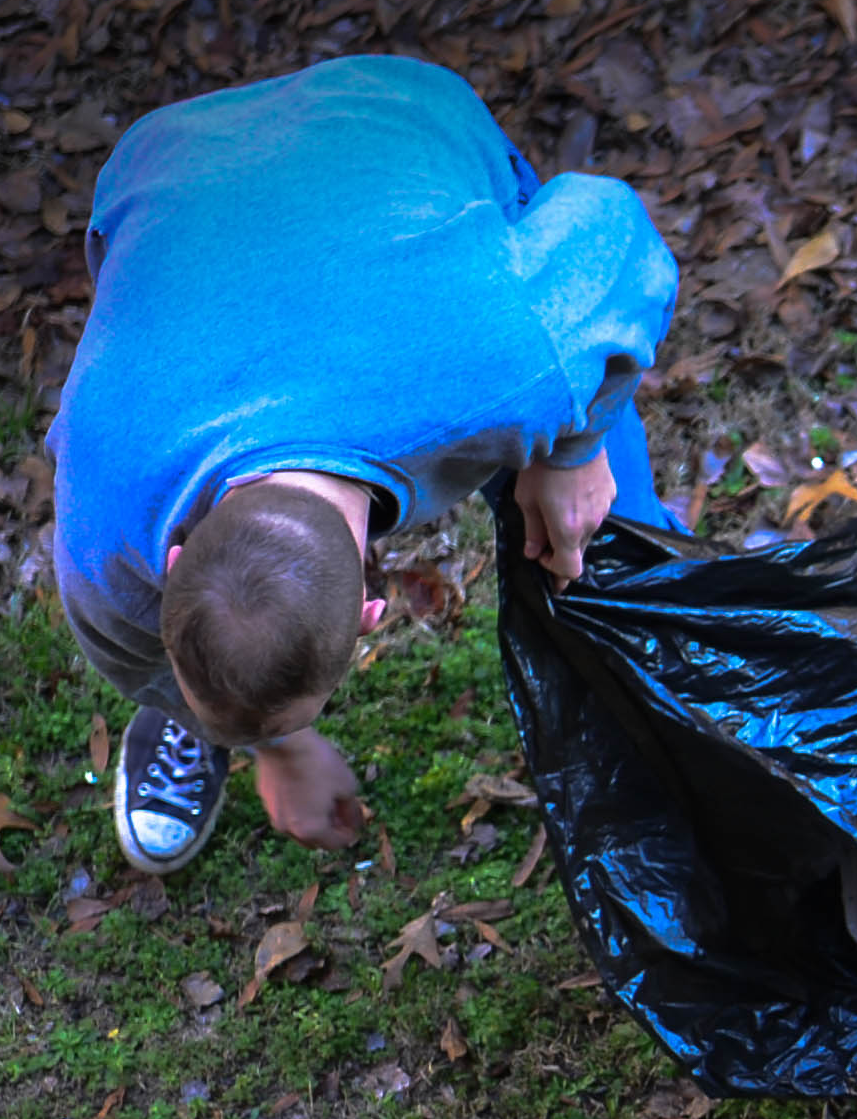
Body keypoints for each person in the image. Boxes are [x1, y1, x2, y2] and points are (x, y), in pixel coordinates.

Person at [49, 56, 680, 876]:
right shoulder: (103, 536)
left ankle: (661, 693)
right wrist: (282, 748)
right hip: (167, 170)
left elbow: (613, 228)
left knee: (606, 534)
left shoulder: (505, 364)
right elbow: (140, 659)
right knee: (226, 663)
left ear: (370, 615)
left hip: (394, 113)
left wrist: (575, 446)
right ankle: (215, 710)